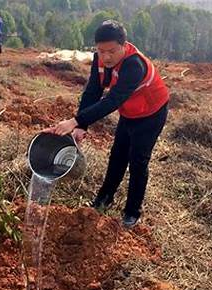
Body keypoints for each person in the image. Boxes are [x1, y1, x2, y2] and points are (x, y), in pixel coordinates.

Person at [44, 20, 170, 228]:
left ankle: (132, 212)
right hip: (130, 112)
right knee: (117, 156)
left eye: (111, 51)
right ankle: (103, 200)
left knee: (138, 161)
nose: (106, 57)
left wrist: (75, 120)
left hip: (151, 114)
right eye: (101, 51)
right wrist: (81, 126)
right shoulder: (99, 60)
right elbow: (93, 91)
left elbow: (113, 100)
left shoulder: (134, 65)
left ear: (124, 45)